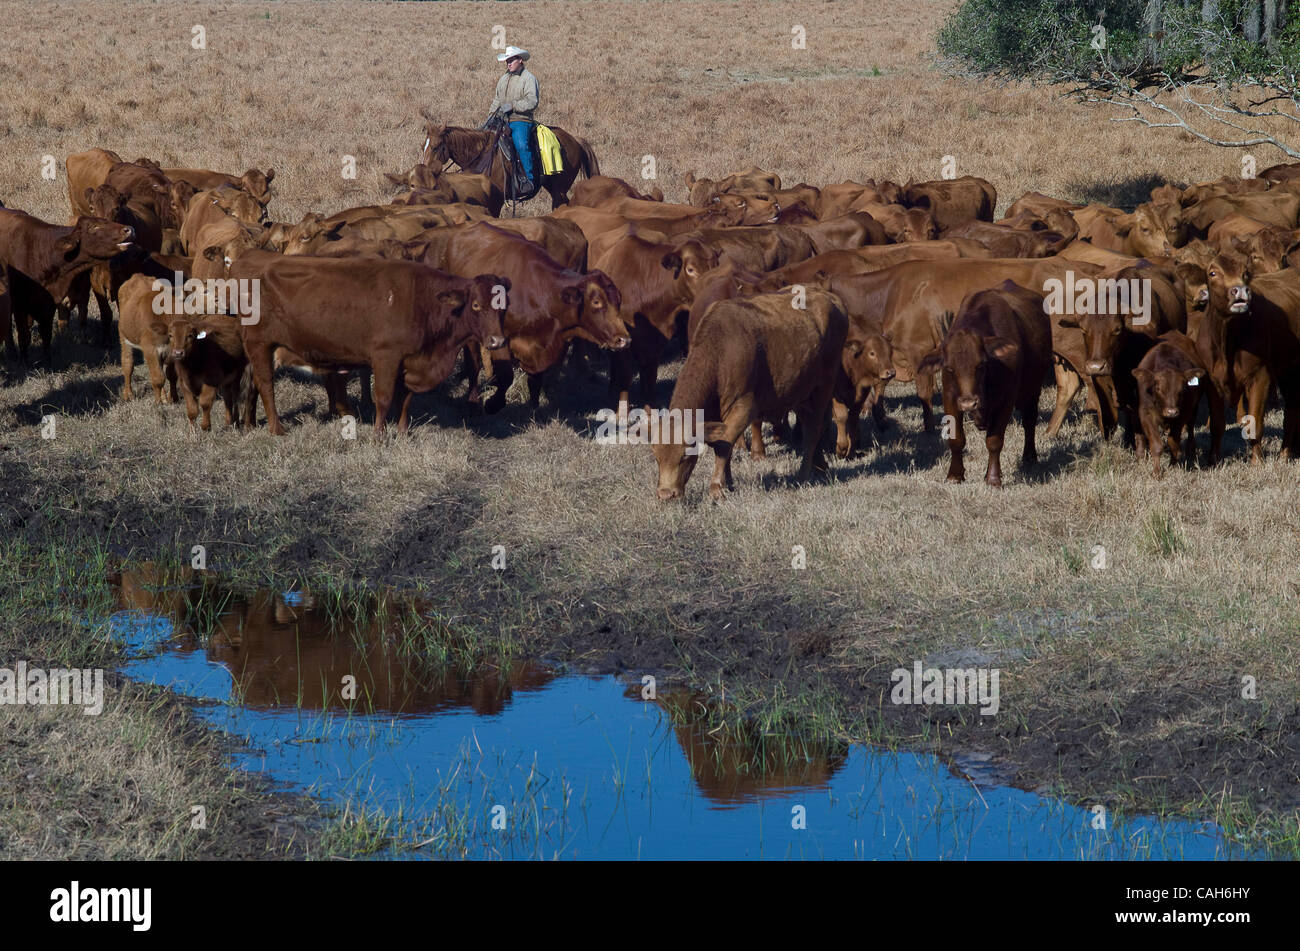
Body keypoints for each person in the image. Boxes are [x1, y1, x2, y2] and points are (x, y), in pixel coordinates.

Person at [489, 46, 540, 193]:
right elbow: (497, 100)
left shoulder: (529, 78)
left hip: (521, 120)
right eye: (507, 61)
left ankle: (528, 179)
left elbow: (532, 101)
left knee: (521, 144)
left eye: (511, 60)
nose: (508, 63)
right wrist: (490, 116)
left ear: (520, 60)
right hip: (502, 119)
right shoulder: (503, 79)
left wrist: (513, 106)